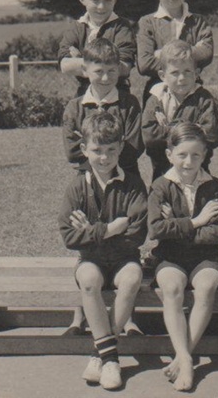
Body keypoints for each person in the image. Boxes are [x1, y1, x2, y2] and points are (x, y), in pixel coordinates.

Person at [59, 111, 148, 390]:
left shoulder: (133, 184)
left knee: (132, 278)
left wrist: (91, 231)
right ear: (84, 149)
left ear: (121, 147)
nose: (104, 157)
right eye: (97, 150)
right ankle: (112, 359)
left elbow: (137, 234)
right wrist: (108, 230)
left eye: (111, 150)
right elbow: (69, 236)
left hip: (125, 258)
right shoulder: (77, 187)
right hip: (92, 259)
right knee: (88, 281)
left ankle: (100, 355)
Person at [147, 122, 218, 391]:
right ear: (169, 154)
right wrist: (196, 221)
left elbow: (217, 232)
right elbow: (156, 229)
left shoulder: (214, 186)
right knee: (171, 287)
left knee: (206, 286)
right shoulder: (161, 186)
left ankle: (183, 356)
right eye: (181, 155)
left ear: (205, 154)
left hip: (206, 256)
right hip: (170, 256)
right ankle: (186, 358)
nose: (188, 161)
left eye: (195, 155)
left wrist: (178, 225)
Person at [62, 38, 143, 177]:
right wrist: (114, 146)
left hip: (126, 178)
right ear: (85, 71)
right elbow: (72, 152)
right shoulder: (75, 107)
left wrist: (92, 146)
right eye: (99, 71)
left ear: (119, 69)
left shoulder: (129, 104)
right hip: (87, 178)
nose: (105, 78)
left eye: (111, 71)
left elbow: (133, 149)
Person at [137, 0, 213, 104]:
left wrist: (162, 54)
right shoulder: (147, 23)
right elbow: (145, 63)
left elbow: (206, 54)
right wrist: (191, 52)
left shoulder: (198, 22)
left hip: (193, 91)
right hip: (157, 92)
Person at [141, 40, 218, 181]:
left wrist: (167, 129)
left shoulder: (204, 99)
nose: (182, 78)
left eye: (187, 71)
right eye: (175, 73)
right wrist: (192, 129)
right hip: (162, 169)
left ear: (196, 73)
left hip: (198, 169)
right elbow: (149, 136)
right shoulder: (156, 98)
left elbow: (212, 134)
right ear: (162, 75)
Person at [58, 0, 135, 97]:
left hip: (118, 94)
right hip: (84, 94)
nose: (101, 6)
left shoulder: (122, 27)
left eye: (107, 0)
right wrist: (110, 65)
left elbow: (124, 68)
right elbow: (65, 66)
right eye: (95, 0)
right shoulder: (77, 28)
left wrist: (81, 61)